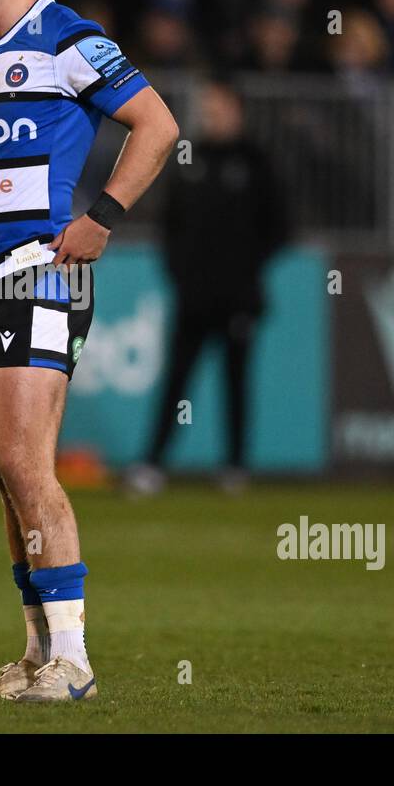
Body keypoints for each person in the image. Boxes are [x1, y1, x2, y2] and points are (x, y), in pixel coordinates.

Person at [0, 0, 178, 702]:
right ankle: (34, 655)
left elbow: (157, 125)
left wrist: (103, 216)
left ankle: (74, 659)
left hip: (43, 273)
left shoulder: (73, 40)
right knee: (4, 470)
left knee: (27, 461)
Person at [123, 77, 290, 496]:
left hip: (239, 298)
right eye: (208, 107)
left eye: (220, 106)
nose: (212, 114)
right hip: (193, 298)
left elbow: (281, 226)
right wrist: (181, 272)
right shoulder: (189, 156)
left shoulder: (256, 161)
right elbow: (170, 225)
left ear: (237, 109)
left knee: (236, 382)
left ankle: (235, 466)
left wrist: (247, 268)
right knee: (176, 381)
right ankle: (152, 464)